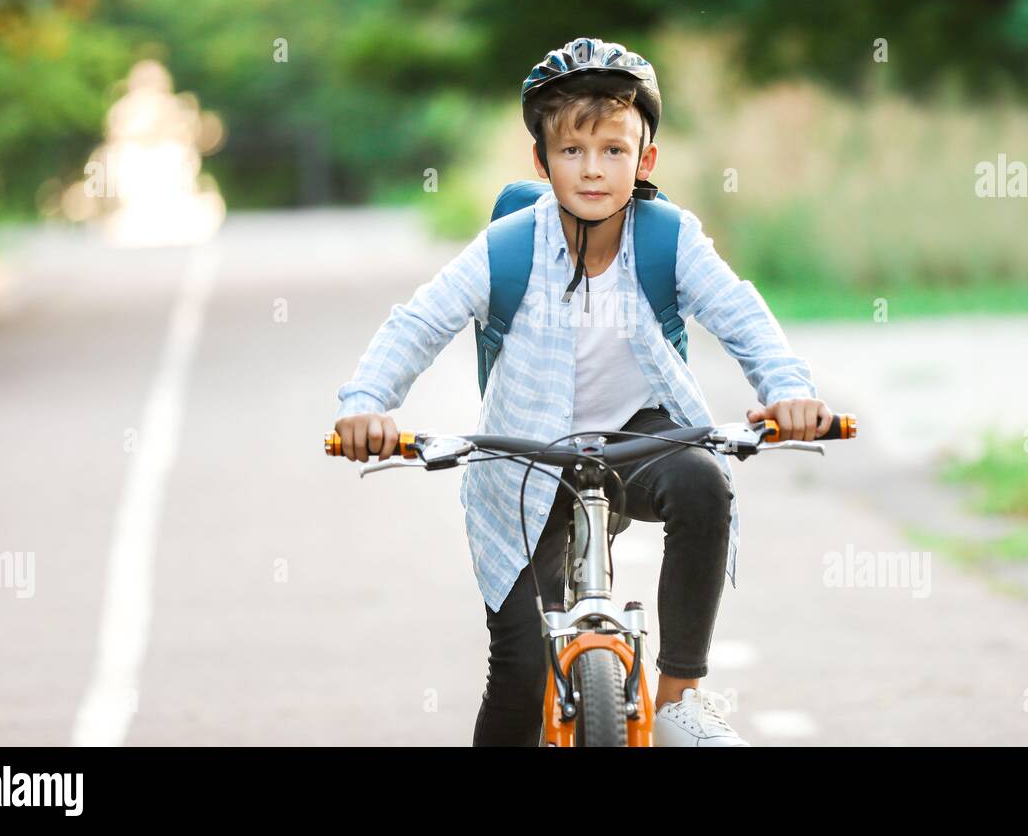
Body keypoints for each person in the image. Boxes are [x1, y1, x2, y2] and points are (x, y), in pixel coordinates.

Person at [334, 37, 831, 746]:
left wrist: (789, 392)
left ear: (645, 160)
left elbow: (742, 315)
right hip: (526, 456)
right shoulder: (508, 247)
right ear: (540, 162)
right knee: (519, 671)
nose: (593, 170)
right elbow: (419, 322)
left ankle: (682, 701)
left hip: (640, 436)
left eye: (613, 151)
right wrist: (366, 405)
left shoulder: (668, 239)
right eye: (571, 152)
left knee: (701, 483)